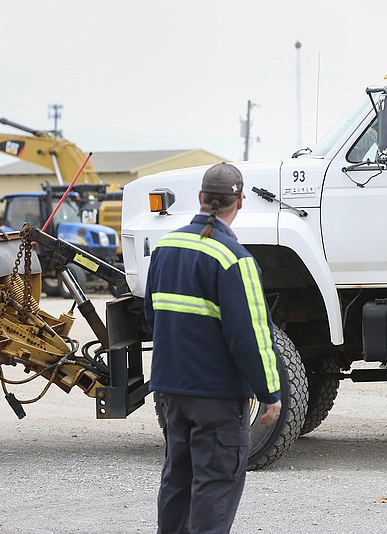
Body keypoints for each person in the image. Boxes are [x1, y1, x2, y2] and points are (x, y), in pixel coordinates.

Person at [145, 162, 283, 534]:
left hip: (172, 390)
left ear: (202, 198)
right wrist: (270, 392)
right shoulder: (234, 258)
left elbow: (152, 316)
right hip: (217, 397)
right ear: (239, 202)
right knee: (215, 485)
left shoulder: (165, 247)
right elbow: (251, 335)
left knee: (178, 479)